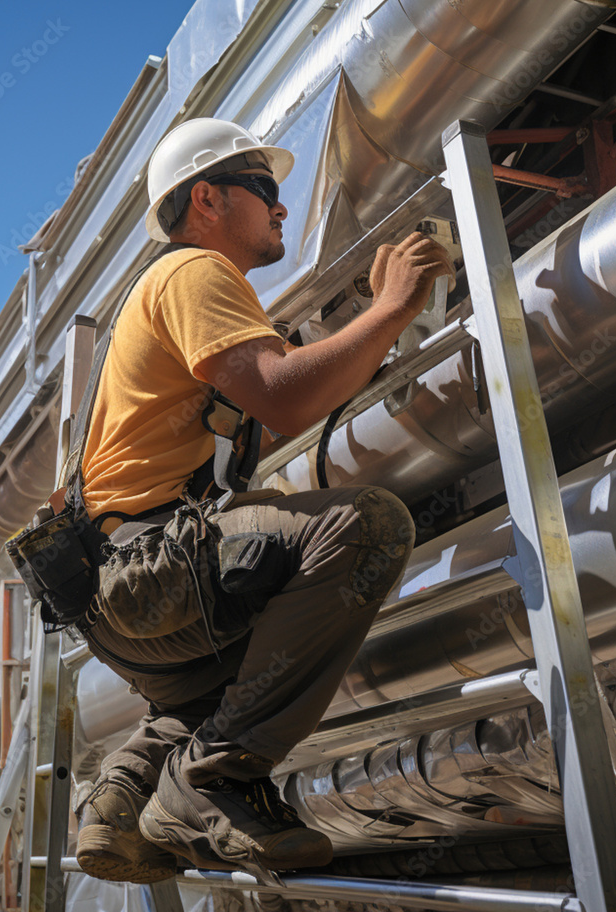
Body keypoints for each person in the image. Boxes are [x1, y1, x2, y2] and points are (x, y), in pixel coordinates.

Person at [74, 118, 454, 883]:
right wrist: (392, 306)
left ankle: (123, 800)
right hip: (150, 566)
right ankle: (212, 783)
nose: (282, 209)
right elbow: (283, 397)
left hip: (120, 604)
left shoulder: (178, 297)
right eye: (267, 190)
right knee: (363, 525)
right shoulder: (193, 273)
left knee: (236, 679)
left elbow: (274, 384)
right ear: (207, 198)